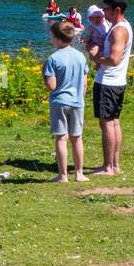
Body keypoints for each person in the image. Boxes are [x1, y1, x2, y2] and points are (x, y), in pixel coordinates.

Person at [90, 0, 133, 176]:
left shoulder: (118, 30)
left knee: (107, 123)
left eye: (106, 9)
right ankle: (114, 165)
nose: (103, 12)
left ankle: (108, 167)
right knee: (113, 122)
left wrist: (95, 57)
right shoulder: (121, 27)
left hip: (108, 81)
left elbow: (114, 59)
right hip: (116, 81)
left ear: (117, 10)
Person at [42, 21, 89, 183]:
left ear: (56, 39)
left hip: (60, 102)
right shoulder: (80, 56)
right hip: (77, 101)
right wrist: (80, 97)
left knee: (61, 138)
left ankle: (63, 175)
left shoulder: (52, 59)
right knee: (77, 137)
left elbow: (52, 86)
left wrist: (45, 76)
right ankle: (79, 174)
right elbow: (84, 82)